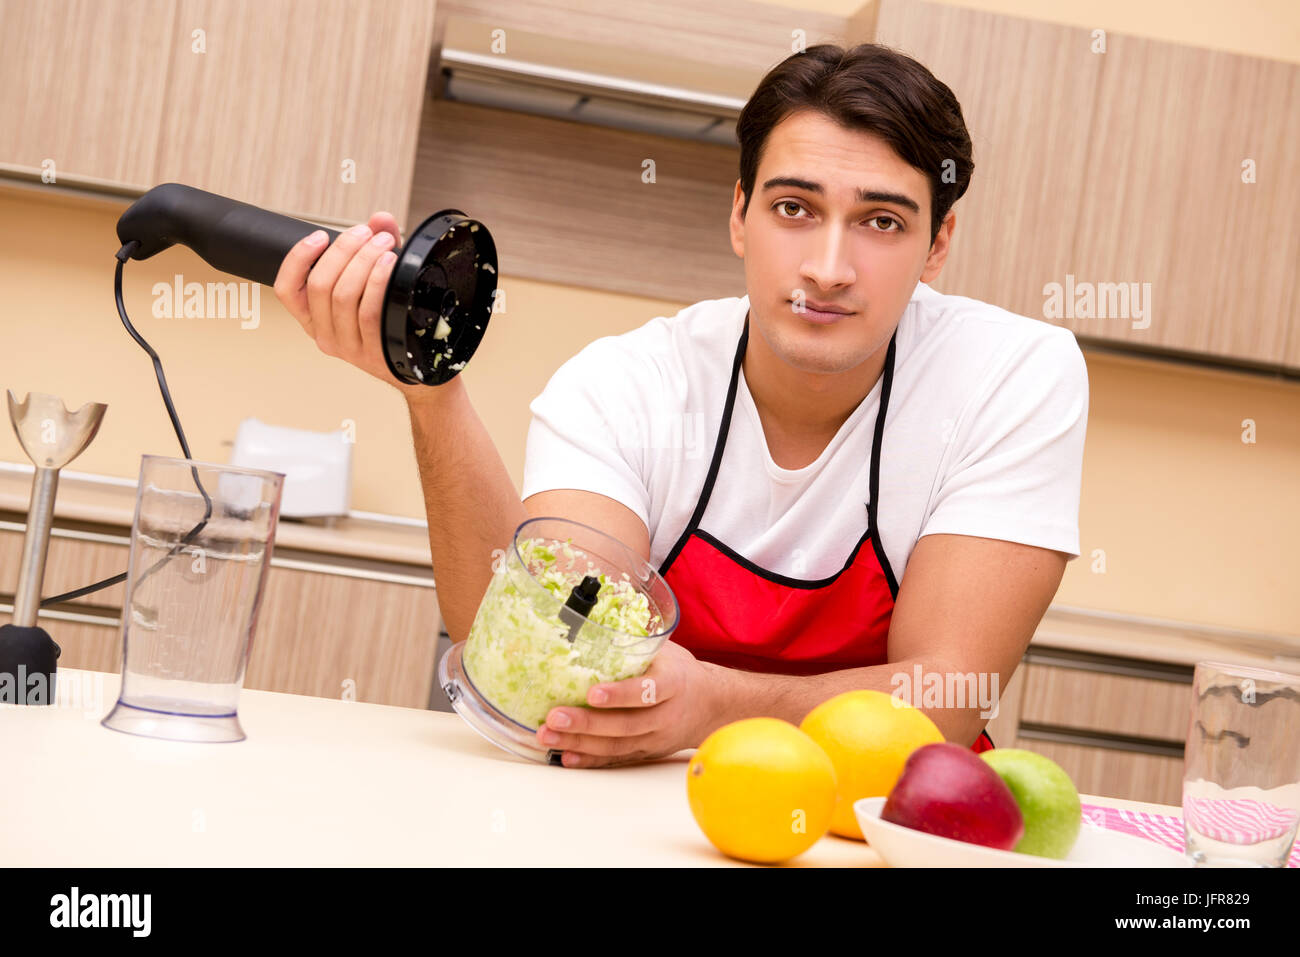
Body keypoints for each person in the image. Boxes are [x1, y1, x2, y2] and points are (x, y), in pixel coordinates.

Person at [273, 43, 1088, 769]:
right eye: (794, 208)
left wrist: (715, 701)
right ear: (740, 215)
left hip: (888, 821)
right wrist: (433, 392)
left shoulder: (1010, 377)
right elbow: (540, 644)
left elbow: (944, 701)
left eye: (881, 220)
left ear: (937, 245)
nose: (830, 267)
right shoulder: (626, 385)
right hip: (655, 810)